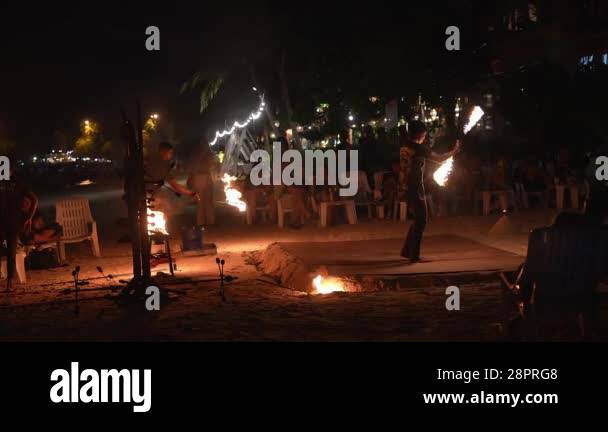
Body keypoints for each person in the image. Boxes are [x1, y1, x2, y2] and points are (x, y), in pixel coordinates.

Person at [400, 121, 461, 262]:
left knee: (418, 219)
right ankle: (413, 255)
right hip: (415, 186)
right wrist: (454, 152)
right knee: (421, 220)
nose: (425, 136)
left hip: (405, 186)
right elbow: (438, 158)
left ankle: (407, 251)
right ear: (420, 134)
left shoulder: (405, 145)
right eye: (424, 133)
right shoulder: (419, 148)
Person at [144, 142, 199, 221]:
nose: (171, 155)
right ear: (163, 152)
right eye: (170, 153)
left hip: (144, 194)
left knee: (161, 209)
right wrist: (191, 193)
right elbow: (175, 186)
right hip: (152, 195)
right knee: (166, 210)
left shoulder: (150, 158)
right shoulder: (163, 165)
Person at [187, 138, 218, 226]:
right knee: (206, 201)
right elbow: (211, 164)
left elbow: (193, 167)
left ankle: (203, 222)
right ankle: (208, 222)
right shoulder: (206, 154)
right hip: (203, 176)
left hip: (202, 177)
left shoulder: (199, 154)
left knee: (203, 201)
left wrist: (191, 178)